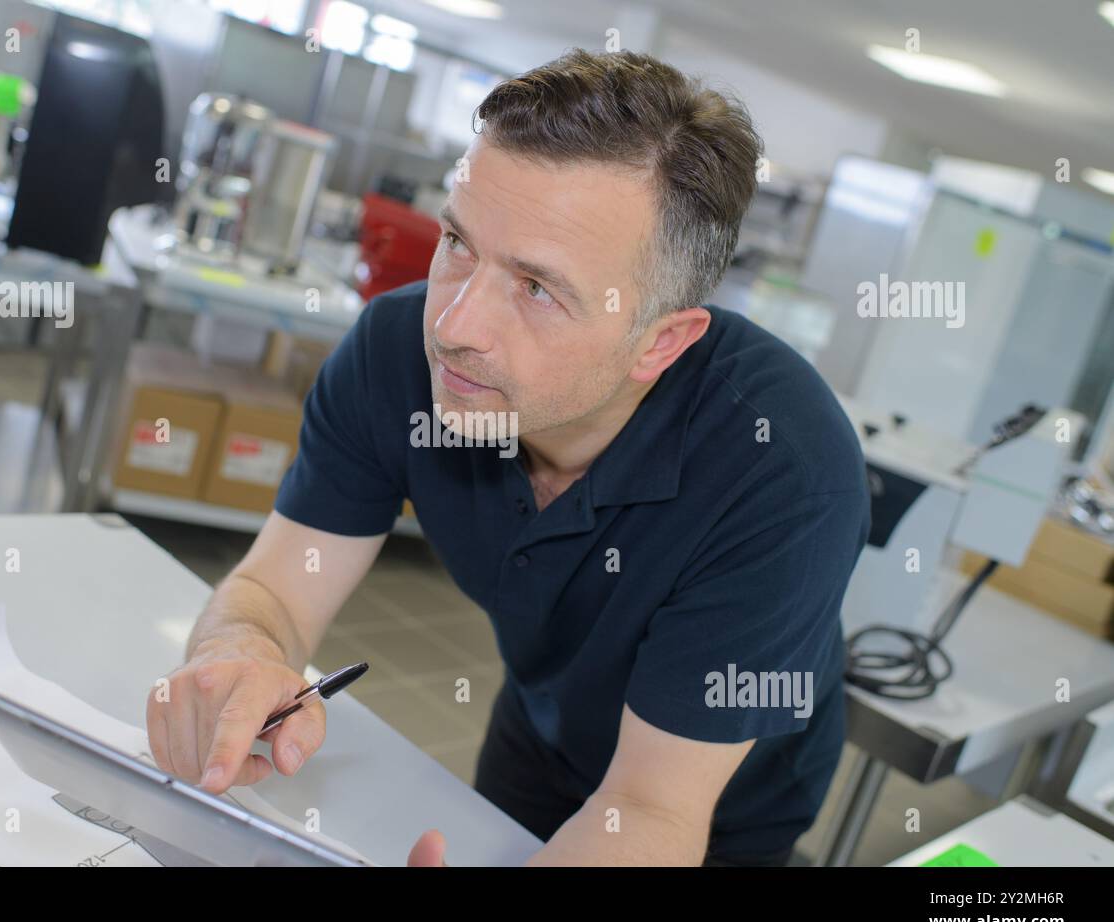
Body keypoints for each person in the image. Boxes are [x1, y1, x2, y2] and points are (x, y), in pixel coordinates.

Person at [145, 48, 869, 866]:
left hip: (716, 804)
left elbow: (653, 808)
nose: (454, 324)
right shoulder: (396, 355)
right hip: (541, 729)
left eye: (536, 288)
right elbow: (273, 589)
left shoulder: (785, 474)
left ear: (659, 342)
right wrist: (237, 652)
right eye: (458, 241)